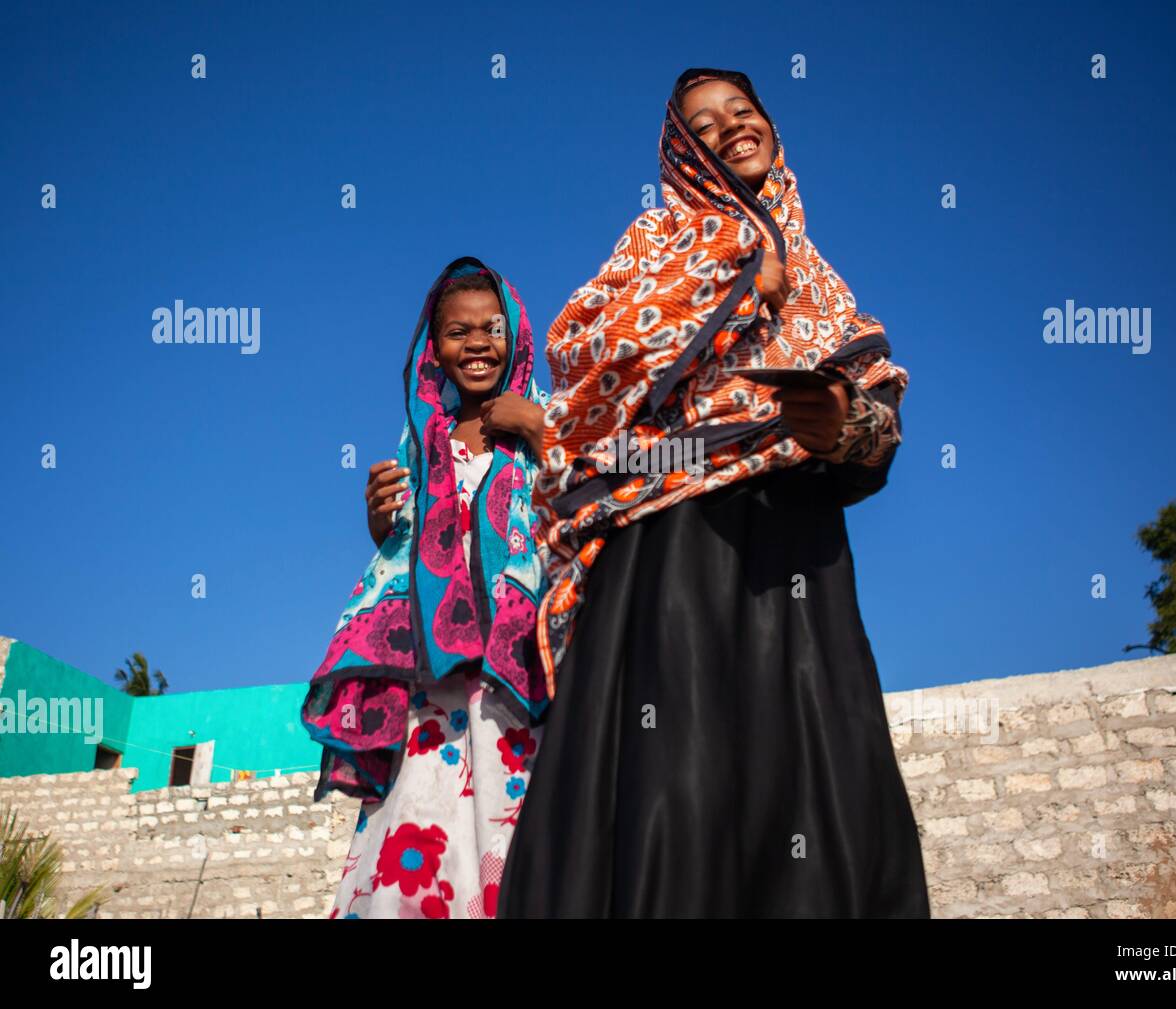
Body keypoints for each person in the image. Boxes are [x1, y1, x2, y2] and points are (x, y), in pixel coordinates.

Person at [498, 69, 931, 917]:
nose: (730, 128)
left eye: (743, 111)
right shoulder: (657, 239)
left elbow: (877, 420)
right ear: (682, 153)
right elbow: (584, 353)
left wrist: (839, 421)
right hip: (671, 547)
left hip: (798, 557)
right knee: (675, 773)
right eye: (704, 124)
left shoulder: (821, 279)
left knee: (814, 767)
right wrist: (731, 279)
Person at [302, 257, 550, 918]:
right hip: (428, 688)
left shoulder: (543, 422)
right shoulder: (419, 443)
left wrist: (536, 428)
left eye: (490, 328)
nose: (474, 343)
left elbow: (597, 486)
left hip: (513, 680)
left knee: (510, 827)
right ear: (432, 348)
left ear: (517, 335)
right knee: (419, 826)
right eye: (456, 331)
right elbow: (406, 553)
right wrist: (378, 519)